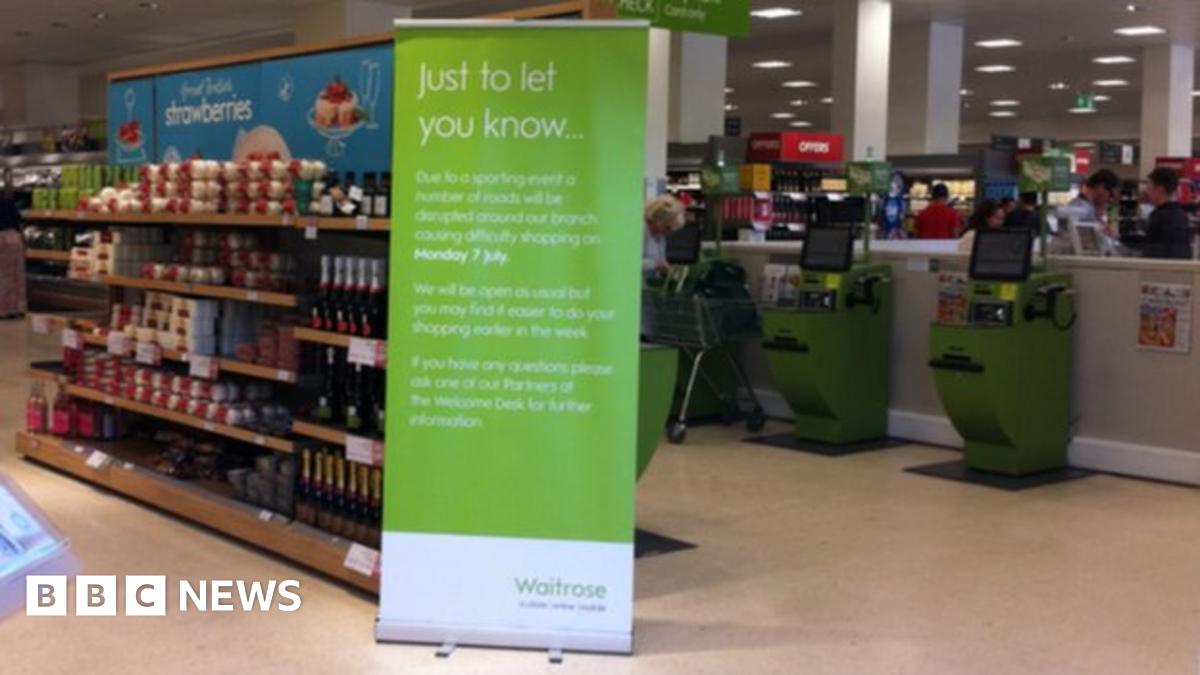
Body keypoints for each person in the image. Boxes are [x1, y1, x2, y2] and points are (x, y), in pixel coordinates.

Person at [1143, 167, 1194, 260]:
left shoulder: (1158, 216)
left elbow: (1151, 251)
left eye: (1149, 188)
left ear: (1160, 190)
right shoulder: (1182, 215)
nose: (1147, 192)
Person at [643, 194, 686, 281]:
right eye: (667, 227)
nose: (668, 232)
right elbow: (628, 262)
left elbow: (661, 260)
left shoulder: (660, 236)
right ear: (658, 219)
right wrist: (655, 265)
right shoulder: (639, 232)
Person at [1069, 169, 1120, 236]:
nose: (1110, 200)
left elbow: (1113, 233)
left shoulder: (1091, 207)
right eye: (1111, 195)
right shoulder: (1079, 207)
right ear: (1100, 187)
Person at [0, 193, 26, 318]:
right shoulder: (8, 201)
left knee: (3, 276)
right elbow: (19, 222)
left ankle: (3, 310)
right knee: (16, 275)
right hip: (13, 238)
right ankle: (17, 309)